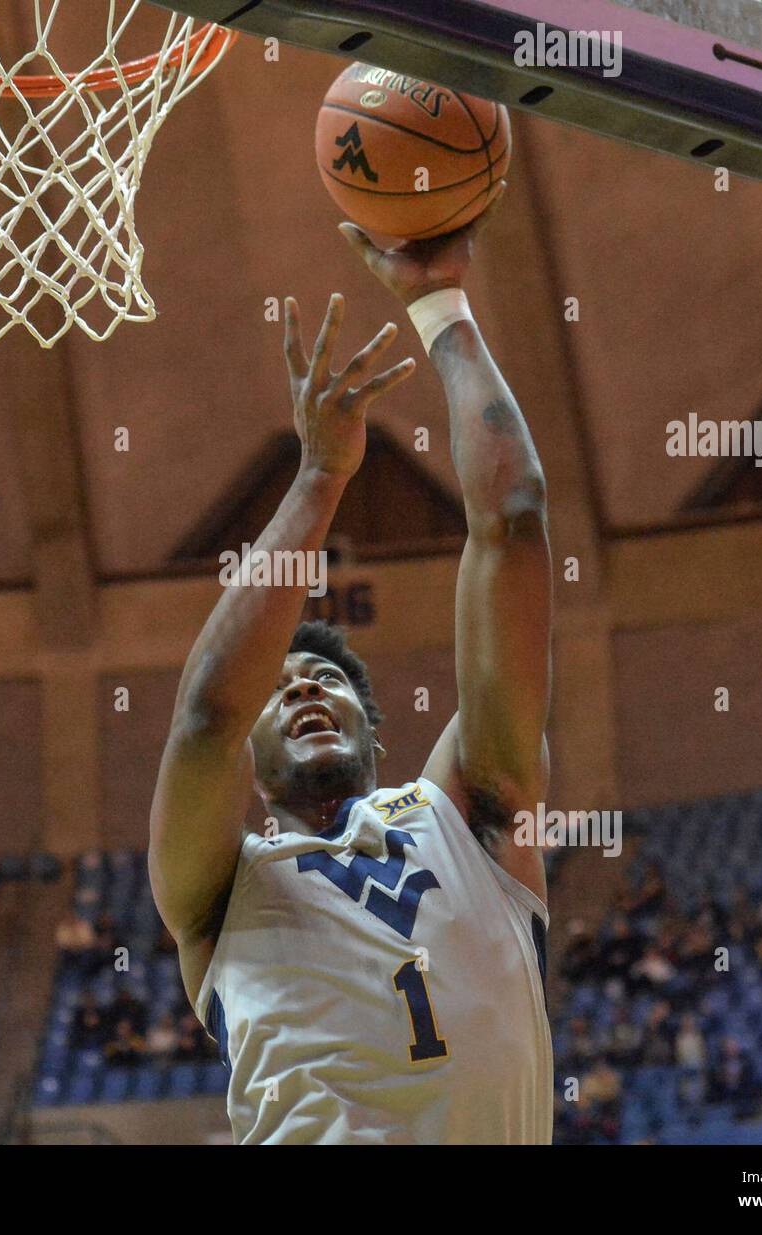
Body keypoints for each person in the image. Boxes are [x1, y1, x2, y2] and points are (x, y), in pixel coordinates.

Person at [149, 219, 554, 1144]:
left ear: (375, 733)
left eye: (325, 677)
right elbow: (209, 713)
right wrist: (322, 474)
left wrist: (439, 303)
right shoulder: (219, 889)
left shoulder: (473, 819)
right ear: (251, 773)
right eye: (281, 684)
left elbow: (515, 520)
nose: (301, 688)